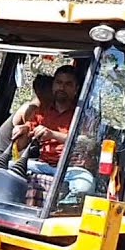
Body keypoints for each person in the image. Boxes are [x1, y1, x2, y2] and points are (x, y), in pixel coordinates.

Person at [25, 65, 94, 201]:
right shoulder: (43, 111)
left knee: (84, 187)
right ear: (53, 86)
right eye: (59, 83)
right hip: (43, 165)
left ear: (76, 89)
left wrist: (53, 134)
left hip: (72, 170)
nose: (62, 88)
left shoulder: (86, 113)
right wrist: (22, 130)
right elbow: (25, 139)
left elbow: (88, 142)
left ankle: (60, 209)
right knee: (10, 168)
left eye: (68, 84)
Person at [0, 74, 54, 169]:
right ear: (40, 91)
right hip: (4, 159)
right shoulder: (29, 109)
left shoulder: (46, 111)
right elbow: (35, 136)